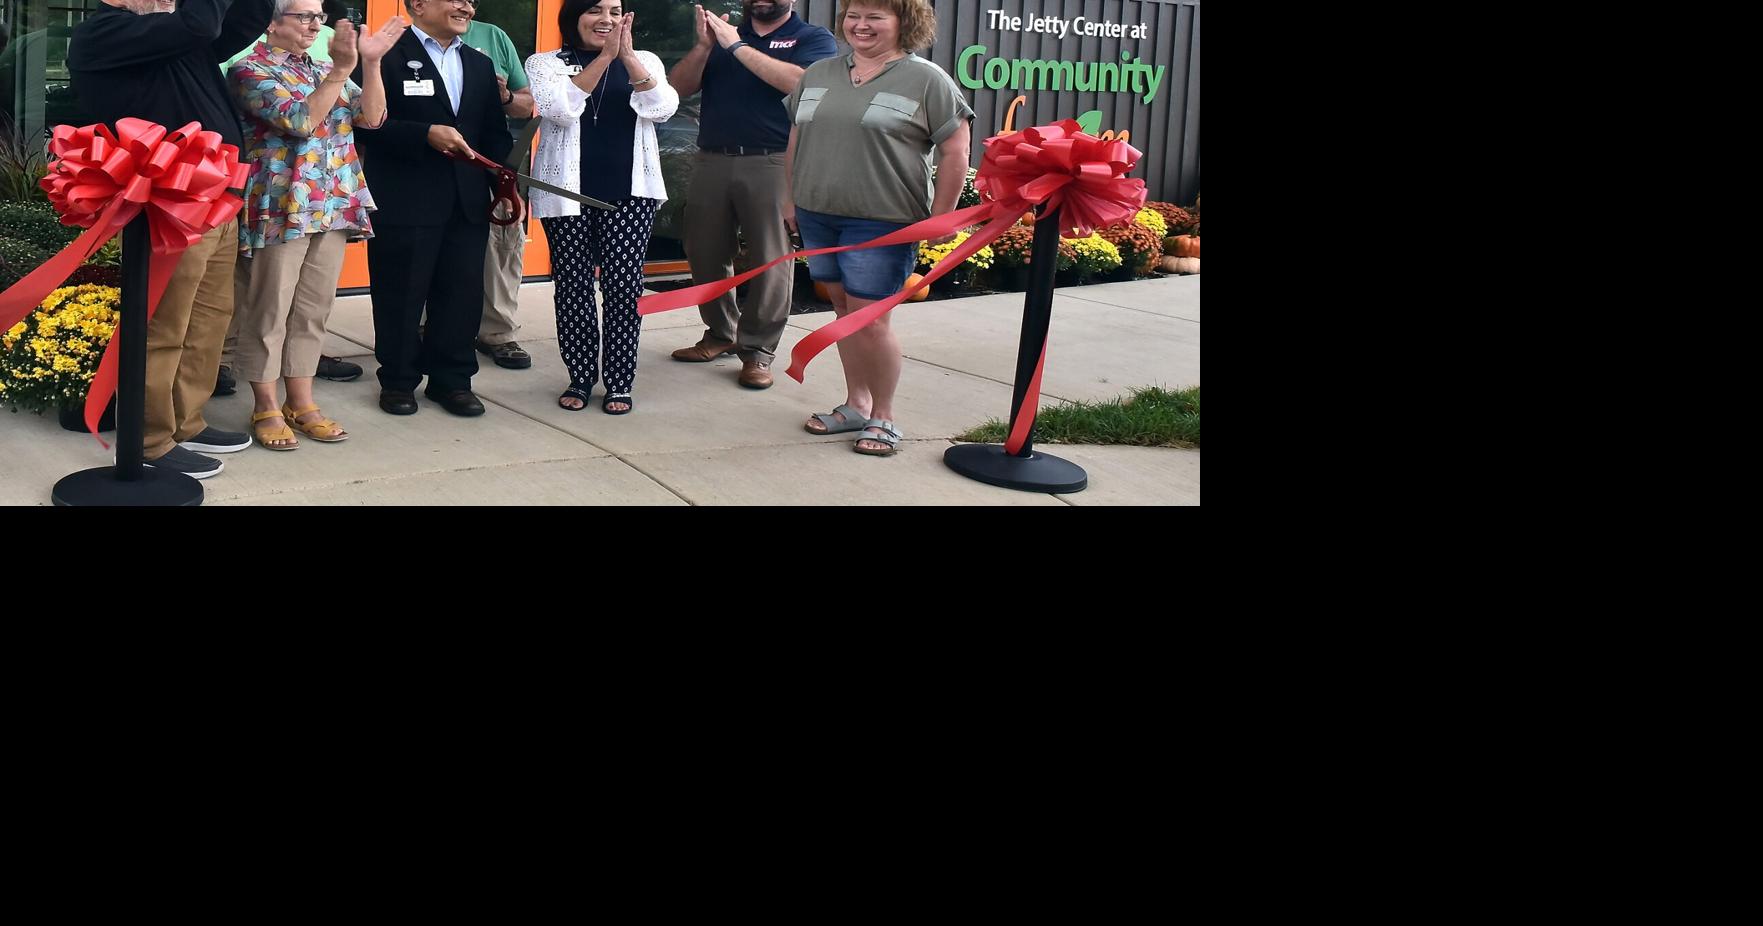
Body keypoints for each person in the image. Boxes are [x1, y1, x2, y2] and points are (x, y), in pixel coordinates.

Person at [68, 0, 275, 480]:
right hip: (167, 207)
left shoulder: (172, 34)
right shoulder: (104, 33)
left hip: (215, 196)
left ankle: (186, 420)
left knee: (207, 321)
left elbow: (244, 18)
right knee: (163, 326)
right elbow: (199, 21)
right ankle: (150, 439)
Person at [785, 0, 972, 456]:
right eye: (853, 15)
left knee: (871, 321)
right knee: (844, 314)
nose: (861, 25)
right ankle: (855, 405)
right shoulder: (819, 73)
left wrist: (942, 214)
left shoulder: (927, 79)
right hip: (818, 213)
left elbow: (955, 150)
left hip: (882, 220)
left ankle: (884, 416)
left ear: (903, 23)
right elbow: (796, 137)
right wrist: (789, 199)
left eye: (875, 16)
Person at [227, 0, 404, 449]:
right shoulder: (250, 70)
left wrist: (371, 62)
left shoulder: (324, 66)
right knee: (270, 309)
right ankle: (266, 404)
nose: (315, 24)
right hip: (281, 204)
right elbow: (300, 120)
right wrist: (342, 71)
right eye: (303, 16)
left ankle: (301, 402)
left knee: (312, 309)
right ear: (271, 21)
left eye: (318, 16)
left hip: (332, 202)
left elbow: (372, 118)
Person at [354, 0, 512, 417]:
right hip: (406, 196)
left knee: (461, 295)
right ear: (418, 5)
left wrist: (502, 186)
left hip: (467, 200)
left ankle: (453, 380)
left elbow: (495, 135)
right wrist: (424, 134)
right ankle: (399, 381)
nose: (467, 6)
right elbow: (366, 124)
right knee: (400, 294)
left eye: (472, 1)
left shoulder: (478, 64)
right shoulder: (384, 53)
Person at [667, 0, 834, 390]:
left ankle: (758, 351)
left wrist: (737, 47)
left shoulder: (812, 38)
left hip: (774, 161)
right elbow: (679, 88)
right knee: (703, 250)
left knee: (771, 259)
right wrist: (705, 46)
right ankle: (719, 333)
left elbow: (801, 83)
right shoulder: (724, 35)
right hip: (711, 158)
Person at [525, 0, 675, 414]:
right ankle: (579, 376)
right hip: (566, 194)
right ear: (574, 17)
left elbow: (662, 108)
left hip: (631, 194)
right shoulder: (545, 63)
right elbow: (559, 109)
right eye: (594, 10)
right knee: (572, 289)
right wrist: (604, 59)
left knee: (623, 290)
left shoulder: (644, 61)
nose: (605, 19)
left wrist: (625, 58)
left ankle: (619, 382)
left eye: (614, 10)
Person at [461, 9, 536, 370]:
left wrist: (505, 97)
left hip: (492, 162)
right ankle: (429, 326)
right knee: (435, 246)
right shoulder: (402, 40)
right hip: (435, 162)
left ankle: (498, 333)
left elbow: (526, 106)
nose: (464, 5)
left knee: (505, 245)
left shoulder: (493, 36)